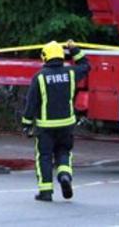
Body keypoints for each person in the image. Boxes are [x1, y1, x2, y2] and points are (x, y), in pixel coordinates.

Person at [22, 40, 90, 202]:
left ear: (45, 57)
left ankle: (46, 191)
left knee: (44, 156)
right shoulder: (71, 73)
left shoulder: (39, 77)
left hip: (46, 127)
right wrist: (74, 49)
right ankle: (64, 175)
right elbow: (86, 65)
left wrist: (26, 123)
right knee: (64, 151)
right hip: (66, 124)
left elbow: (31, 102)